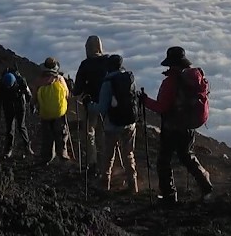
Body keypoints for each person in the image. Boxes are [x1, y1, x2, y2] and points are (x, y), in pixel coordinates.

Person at [141, 46, 213, 206]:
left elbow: (162, 107)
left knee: (164, 161)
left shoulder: (171, 82)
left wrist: (145, 101)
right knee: (187, 156)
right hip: (188, 126)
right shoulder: (195, 78)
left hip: (172, 127)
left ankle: (169, 195)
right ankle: (205, 183)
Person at [89, 54, 141, 194]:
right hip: (130, 123)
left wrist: (90, 105)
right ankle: (133, 184)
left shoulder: (108, 82)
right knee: (128, 153)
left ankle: (105, 183)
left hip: (113, 124)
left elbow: (102, 108)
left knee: (108, 154)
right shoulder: (129, 79)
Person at [75, 35, 109, 174]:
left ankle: (93, 163)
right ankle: (107, 163)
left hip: (91, 105)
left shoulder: (85, 64)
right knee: (106, 134)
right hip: (108, 105)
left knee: (90, 133)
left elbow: (77, 89)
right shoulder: (108, 61)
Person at [33, 57, 71, 166]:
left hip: (45, 113)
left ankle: (47, 156)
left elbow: (34, 97)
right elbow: (67, 94)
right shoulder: (60, 79)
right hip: (59, 112)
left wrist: (35, 105)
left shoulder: (39, 81)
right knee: (62, 133)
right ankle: (62, 153)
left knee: (47, 135)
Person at [0, 64, 34, 160]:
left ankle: (27, 147)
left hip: (20, 104)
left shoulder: (21, 81)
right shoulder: (2, 85)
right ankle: (9, 149)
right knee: (10, 129)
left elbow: (29, 95)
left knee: (21, 126)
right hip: (8, 106)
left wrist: (31, 105)